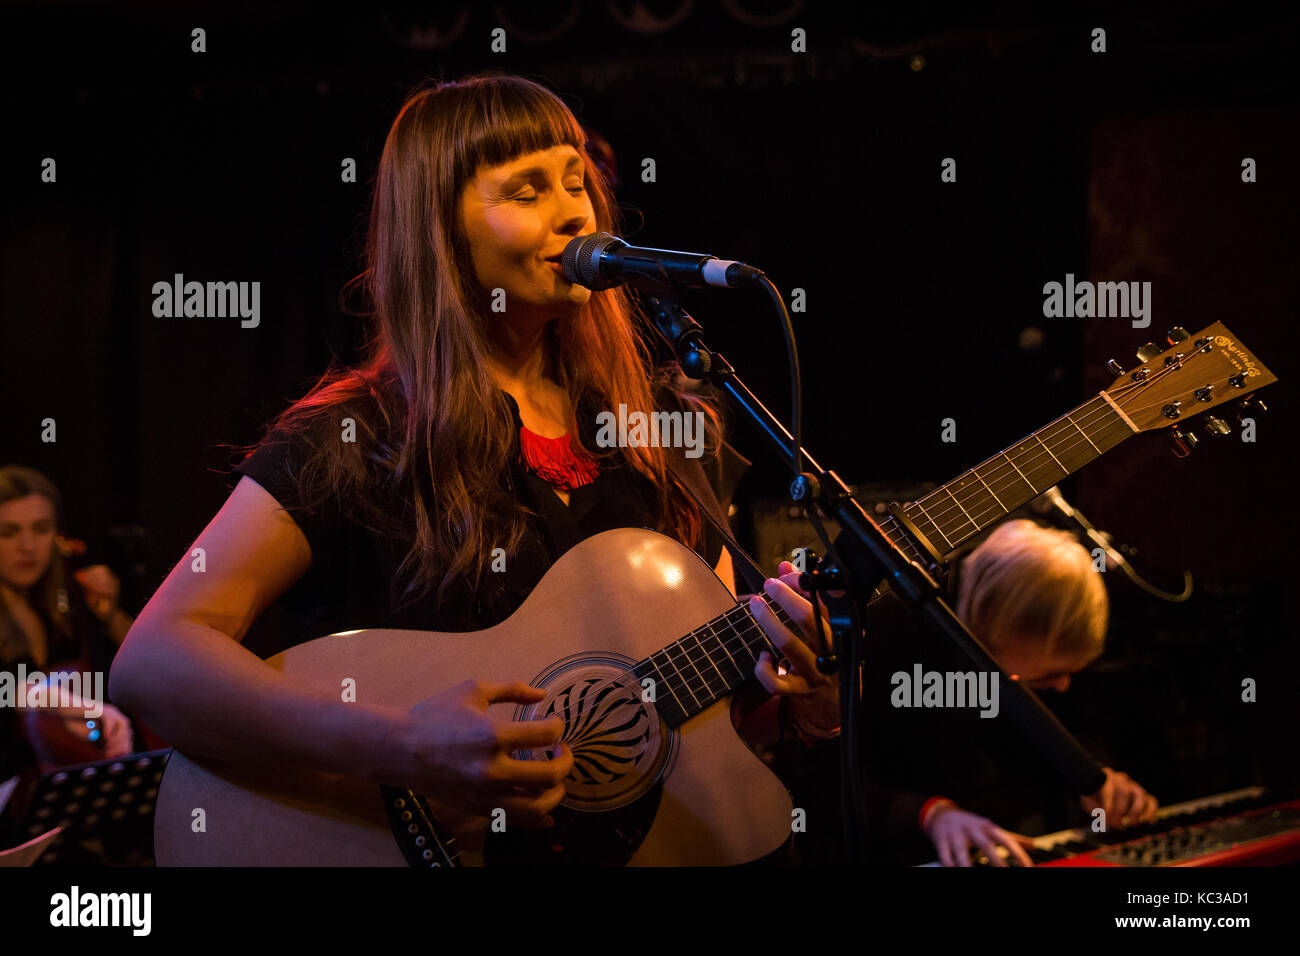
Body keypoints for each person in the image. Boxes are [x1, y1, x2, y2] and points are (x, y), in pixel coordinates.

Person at [109, 73, 838, 851]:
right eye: (527, 190)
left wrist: (809, 696)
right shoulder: (356, 438)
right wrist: (404, 747)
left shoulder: (658, 429)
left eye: (574, 182)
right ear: (440, 232)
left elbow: (689, 725)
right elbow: (153, 663)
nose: (575, 212)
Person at [865, 519, 1158, 866]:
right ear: (990, 634)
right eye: (1052, 674)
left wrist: (1096, 777)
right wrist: (929, 814)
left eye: (1072, 673)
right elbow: (830, 784)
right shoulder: (891, 638)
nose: (1063, 685)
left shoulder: (1031, 656)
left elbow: (1076, 724)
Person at [0, 466, 135, 834]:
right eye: (8, 532)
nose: (28, 546)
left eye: (41, 530)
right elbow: (9, 689)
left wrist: (110, 616)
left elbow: (143, 665)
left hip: (64, 796)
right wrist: (88, 707)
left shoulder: (63, 604)